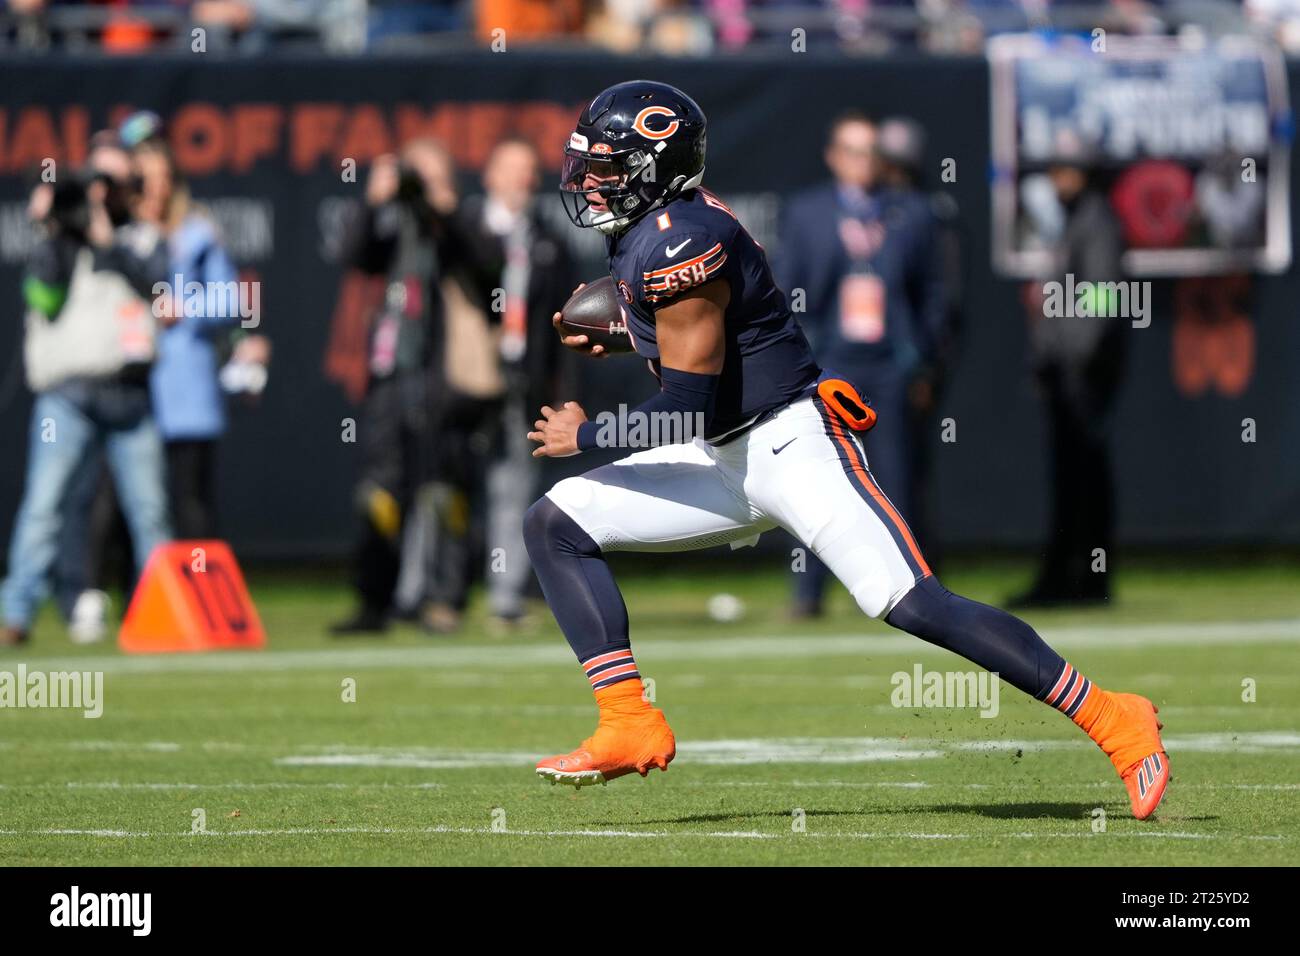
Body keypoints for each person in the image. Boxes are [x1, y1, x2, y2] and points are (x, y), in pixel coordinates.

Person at [523, 80, 1168, 820]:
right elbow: (703, 363)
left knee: (916, 604)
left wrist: (590, 434)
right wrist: (627, 333)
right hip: (725, 458)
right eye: (590, 164)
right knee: (555, 525)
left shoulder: (682, 241)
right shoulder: (656, 230)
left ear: (655, 168)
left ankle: (1115, 717)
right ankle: (629, 720)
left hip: (792, 447)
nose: (590, 182)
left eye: (609, 166)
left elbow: (684, 407)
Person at [1, 136, 171, 647]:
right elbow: (42, 297)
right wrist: (54, 229)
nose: (102, 195)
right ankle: (16, 613)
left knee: (150, 510)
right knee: (45, 504)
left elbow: (159, 290)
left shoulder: (141, 239)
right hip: (69, 394)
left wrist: (106, 242)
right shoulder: (58, 239)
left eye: (115, 185)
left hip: (129, 395)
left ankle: (163, 611)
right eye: (94, 183)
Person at [776, 112, 948, 617]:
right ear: (833, 157)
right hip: (831, 361)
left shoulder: (911, 213)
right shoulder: (808, 212)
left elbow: (933, 292)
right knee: (819, 479)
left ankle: (906, 590)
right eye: (851, 151)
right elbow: (787, 290)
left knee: (894, 477)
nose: (862, 163)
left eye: (870, 152)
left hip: (890, 361)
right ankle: (809, 596)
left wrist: (925, 360)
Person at [463, 136, 574, 630]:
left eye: (530, 171)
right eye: (511, 169)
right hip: (463, 378)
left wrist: (563, 396)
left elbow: (567, 330)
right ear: (490, 175)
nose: (522, 181)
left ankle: (504, 596)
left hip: (521, 375)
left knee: (515, 486)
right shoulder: (463, 233)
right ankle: (429, 594)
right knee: (448, 484)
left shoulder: (547, 240)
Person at [1010, 157, 1126, 608]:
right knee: (1073, 479)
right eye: (1054, 172)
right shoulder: (1078, 219)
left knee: (1084, 478)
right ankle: (1067, 577)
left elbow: (1102, 295)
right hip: (1070, 372)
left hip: (1083, 376)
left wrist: (1073, 357)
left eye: (1067, 171)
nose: (1058, 180)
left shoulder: (1096, 220)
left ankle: (1085, 580)